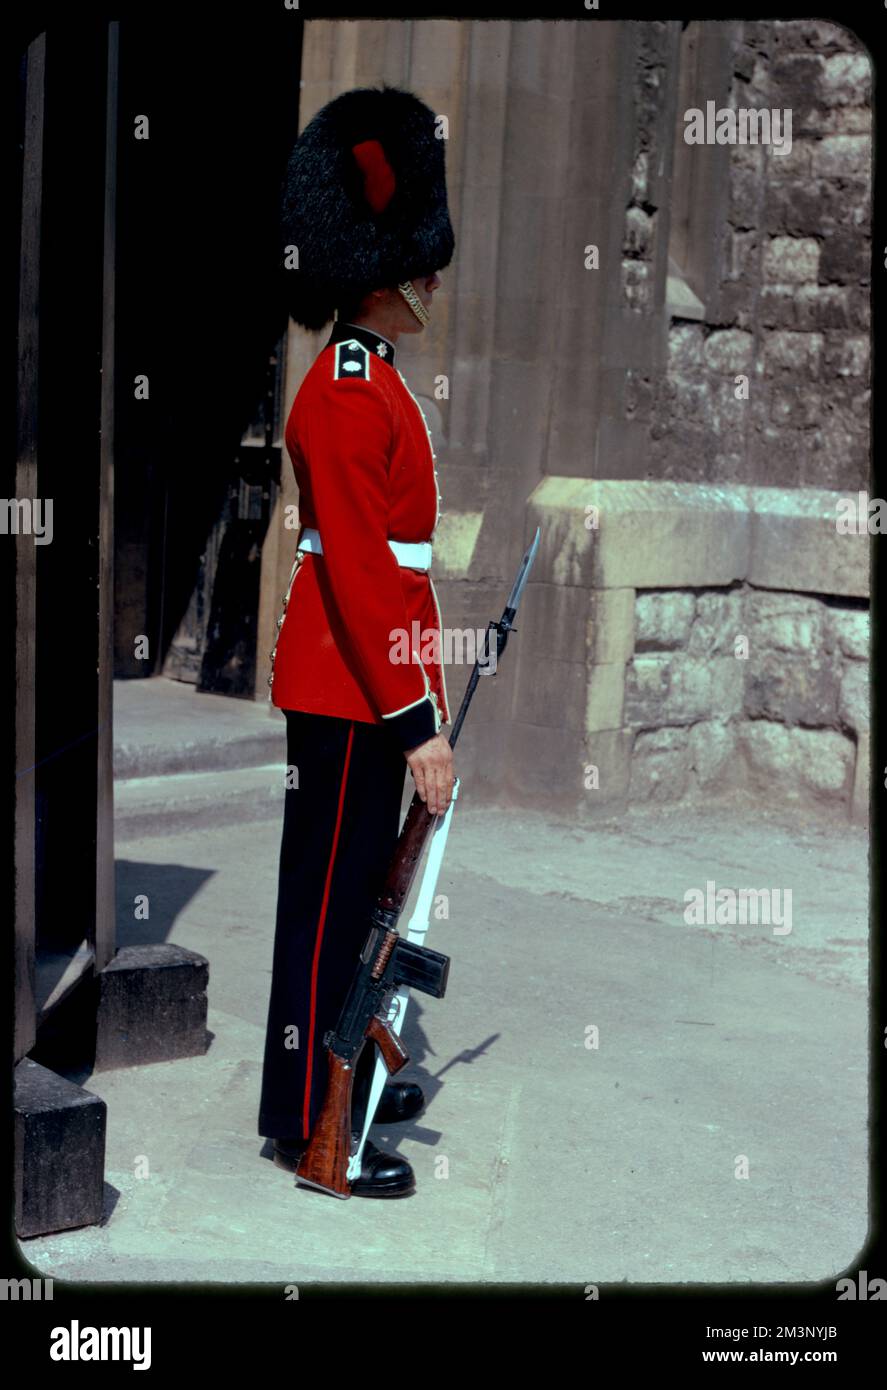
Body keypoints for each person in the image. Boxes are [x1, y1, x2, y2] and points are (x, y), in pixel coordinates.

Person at [257, 85, 456, 1198]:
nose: (431, 284)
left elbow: (396, 570)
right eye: (415, 264)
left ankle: (342, 1078)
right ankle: (307, 1121)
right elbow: (367, 577)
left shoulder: (372, 382)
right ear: (377, 272)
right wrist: (416, 720)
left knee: (358, 907)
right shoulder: (343, 389)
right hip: (346, 691)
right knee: (329, 907)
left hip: (363, 684)